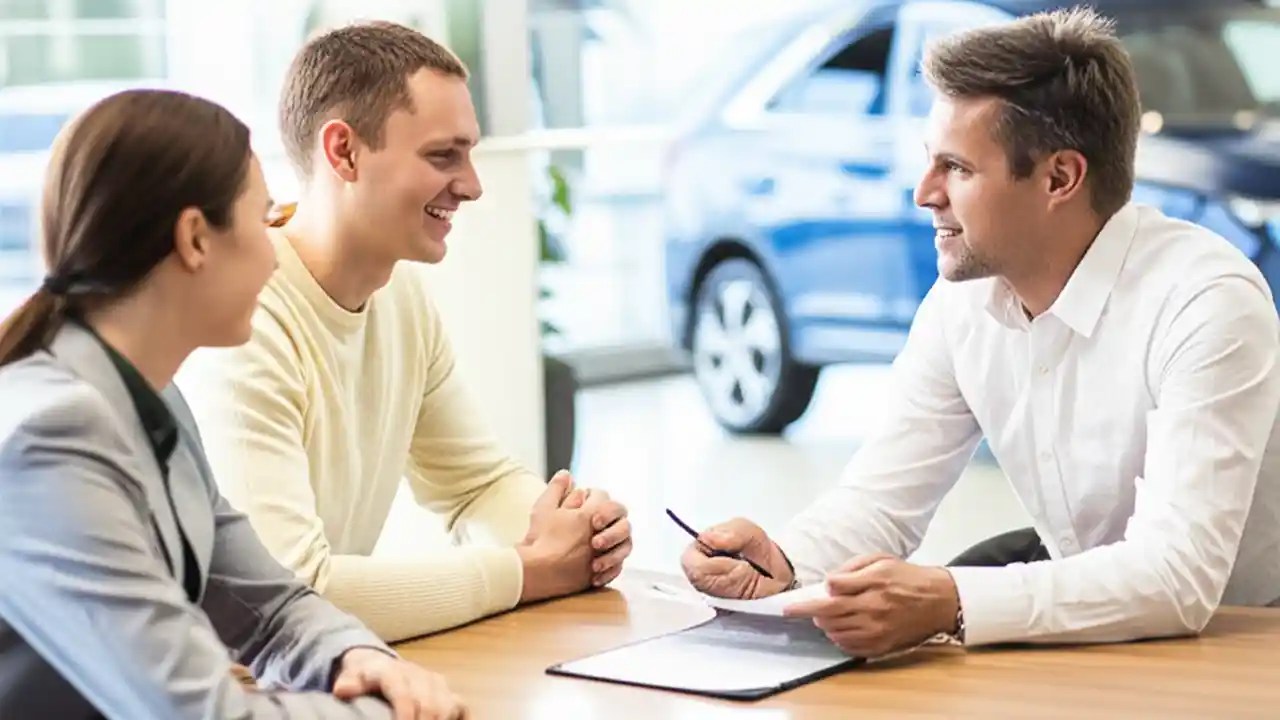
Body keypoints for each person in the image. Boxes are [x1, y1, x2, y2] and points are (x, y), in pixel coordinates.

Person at [680, 7, 1280, 658]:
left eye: (957, 169)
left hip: (1242, 634)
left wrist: (952, 601)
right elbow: (882, 500)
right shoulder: (961, 304)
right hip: (1093, 618)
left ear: (1059, 178)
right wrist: (786, 558)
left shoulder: (1206, 302)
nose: (922, 193)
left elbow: (1176, 575)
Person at [0, 88, 466, 719]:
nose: (276, 252)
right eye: (263, 217)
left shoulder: (154, 400)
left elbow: (269, 606)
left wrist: (362, 662)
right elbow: (195, 711)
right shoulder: (51, 436)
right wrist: (396, 713)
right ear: (195, 238)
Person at [175, 20, 632, 643]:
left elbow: (474, 485)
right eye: (444, 156)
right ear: (344, 153)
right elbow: (289, 590)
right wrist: (527, 570)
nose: (471, 185)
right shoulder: (246, 320)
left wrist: (575, 531)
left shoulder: (402, 298)